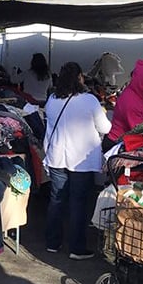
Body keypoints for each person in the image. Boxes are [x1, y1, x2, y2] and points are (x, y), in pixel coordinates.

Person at [44, 61, 111, 259]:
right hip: (81, 159)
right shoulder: (89, 100)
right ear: (80, 77)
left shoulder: (52, 99)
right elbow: (105, 128)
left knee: (56, 200)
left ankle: (52, 243)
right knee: (78, 203)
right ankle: (76, 248)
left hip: (57, 156)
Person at [103, 59, 143, 149]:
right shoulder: (129, 101)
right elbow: (138, 129)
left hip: (132, 139)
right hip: (116, 143)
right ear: (140, 82)